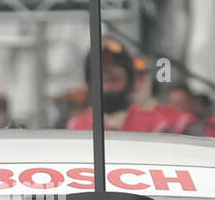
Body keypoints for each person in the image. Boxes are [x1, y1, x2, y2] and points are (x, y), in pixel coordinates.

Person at [66, 40, 197, 134]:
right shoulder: (75, 127)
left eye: (114, 79)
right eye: (101, 79)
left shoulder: (157, 126)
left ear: (129, 81)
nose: (106, 82)